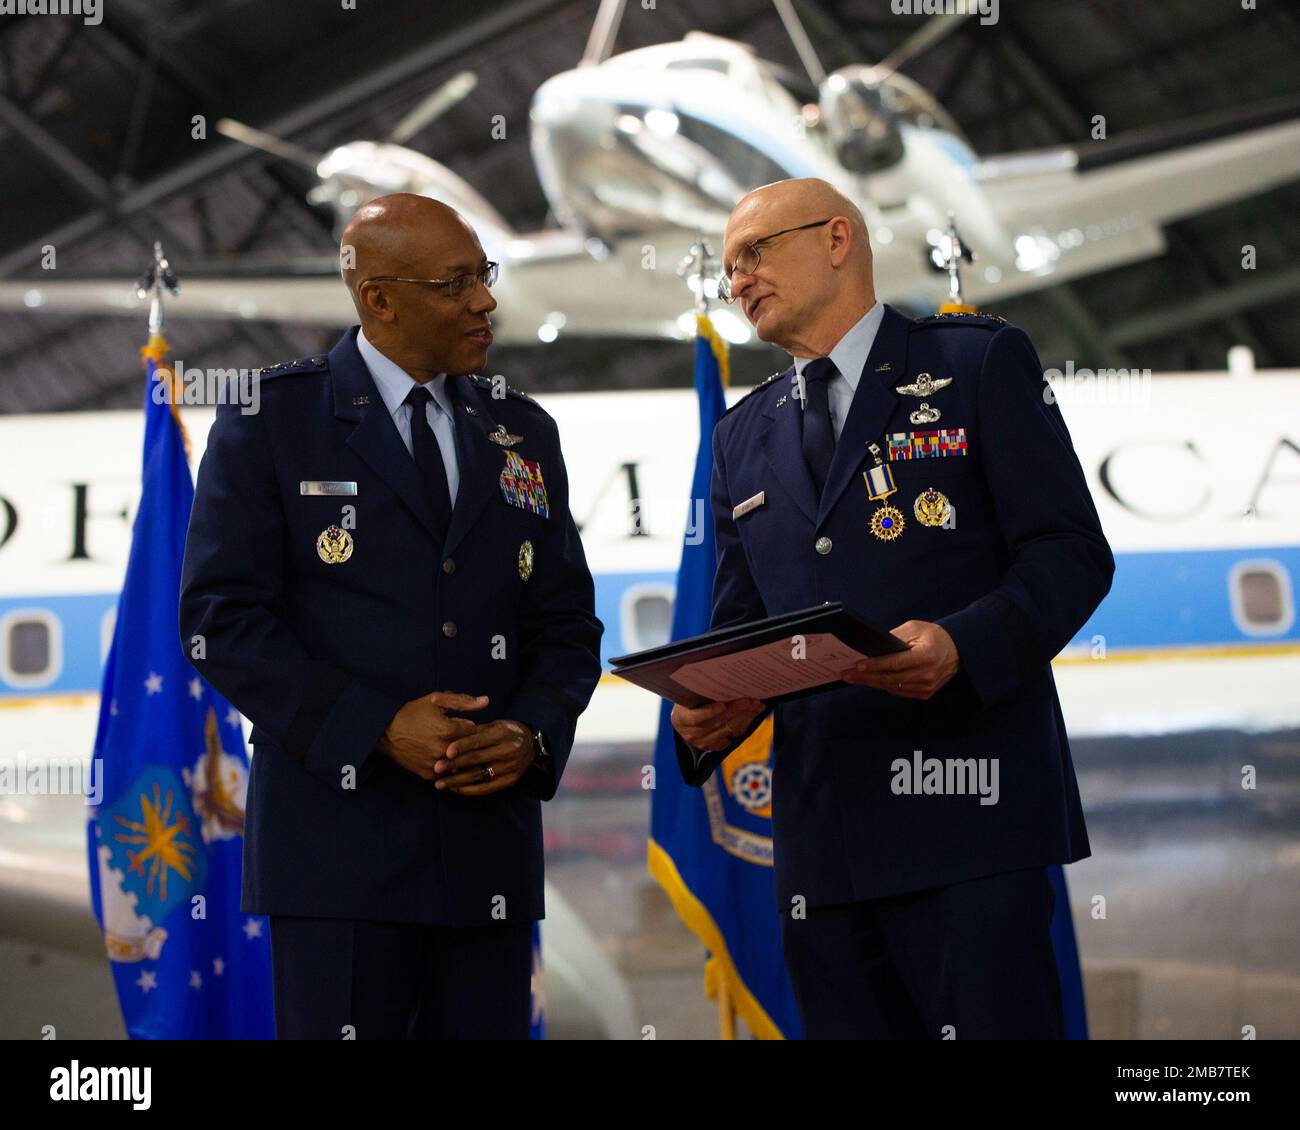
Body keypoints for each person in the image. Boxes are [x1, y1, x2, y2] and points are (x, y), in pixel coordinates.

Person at [670, 177, 1114, 1039]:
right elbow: (744, 624)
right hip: (824, 847)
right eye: (729, 268)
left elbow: (1071, 555)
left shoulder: (975, 363)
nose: (739, 280)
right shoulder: (741, 436)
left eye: (755, 252)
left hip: (971, 822)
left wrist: (961, 643)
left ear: (838, 240)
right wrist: (718, 704)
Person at [180, 192, 602, 1039]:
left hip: (488, 856)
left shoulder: (523, 432)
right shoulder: (273, 421)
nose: (484, 300)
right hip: (338, 862)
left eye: (483, 275)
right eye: (455, 284)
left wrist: (531, 733)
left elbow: (566, 626)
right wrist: (376, 726)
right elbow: (220, 621)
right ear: (379, 299)